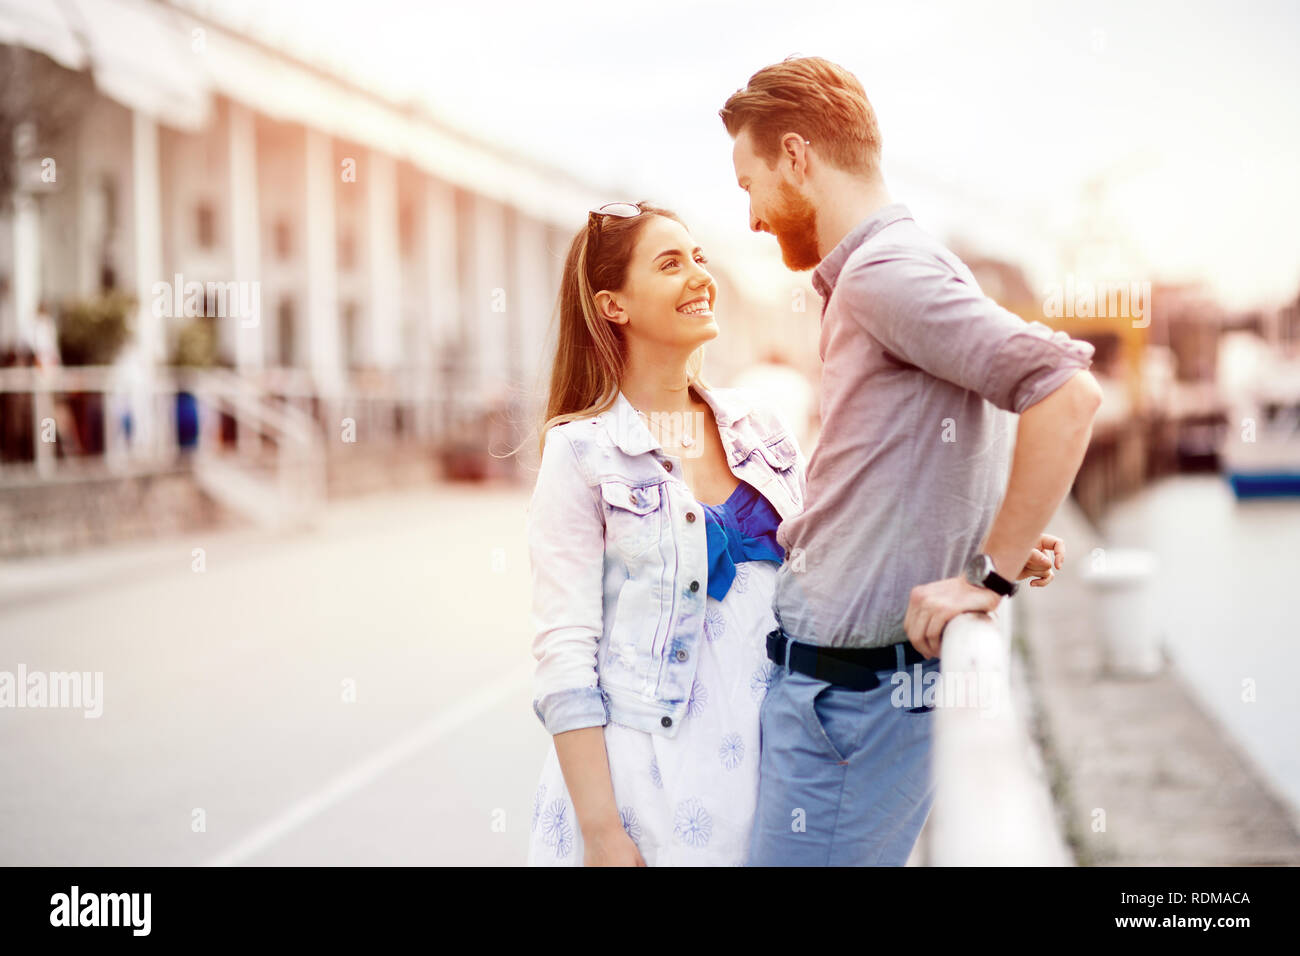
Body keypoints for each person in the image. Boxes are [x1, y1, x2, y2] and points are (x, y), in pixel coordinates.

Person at [720, 56, 1099, 866]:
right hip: (842, 708)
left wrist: (989, 573)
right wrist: (982, 536)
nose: (748, 216)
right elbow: (937, 434)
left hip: (846, 715)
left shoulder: (882, 274)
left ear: (796, 156)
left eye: (747, 182)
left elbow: (1065, 394)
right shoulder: (897, 263)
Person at [525, 201, 807, 865]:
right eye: (671, 263)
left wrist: (981, 557)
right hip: (641, 792)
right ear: (613, 305)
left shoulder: (763, 430)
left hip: (767, 778)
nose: (699, 276)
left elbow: (848, 555)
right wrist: (601, 833)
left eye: (699, 258)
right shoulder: (581, 454)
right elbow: (565, 652)